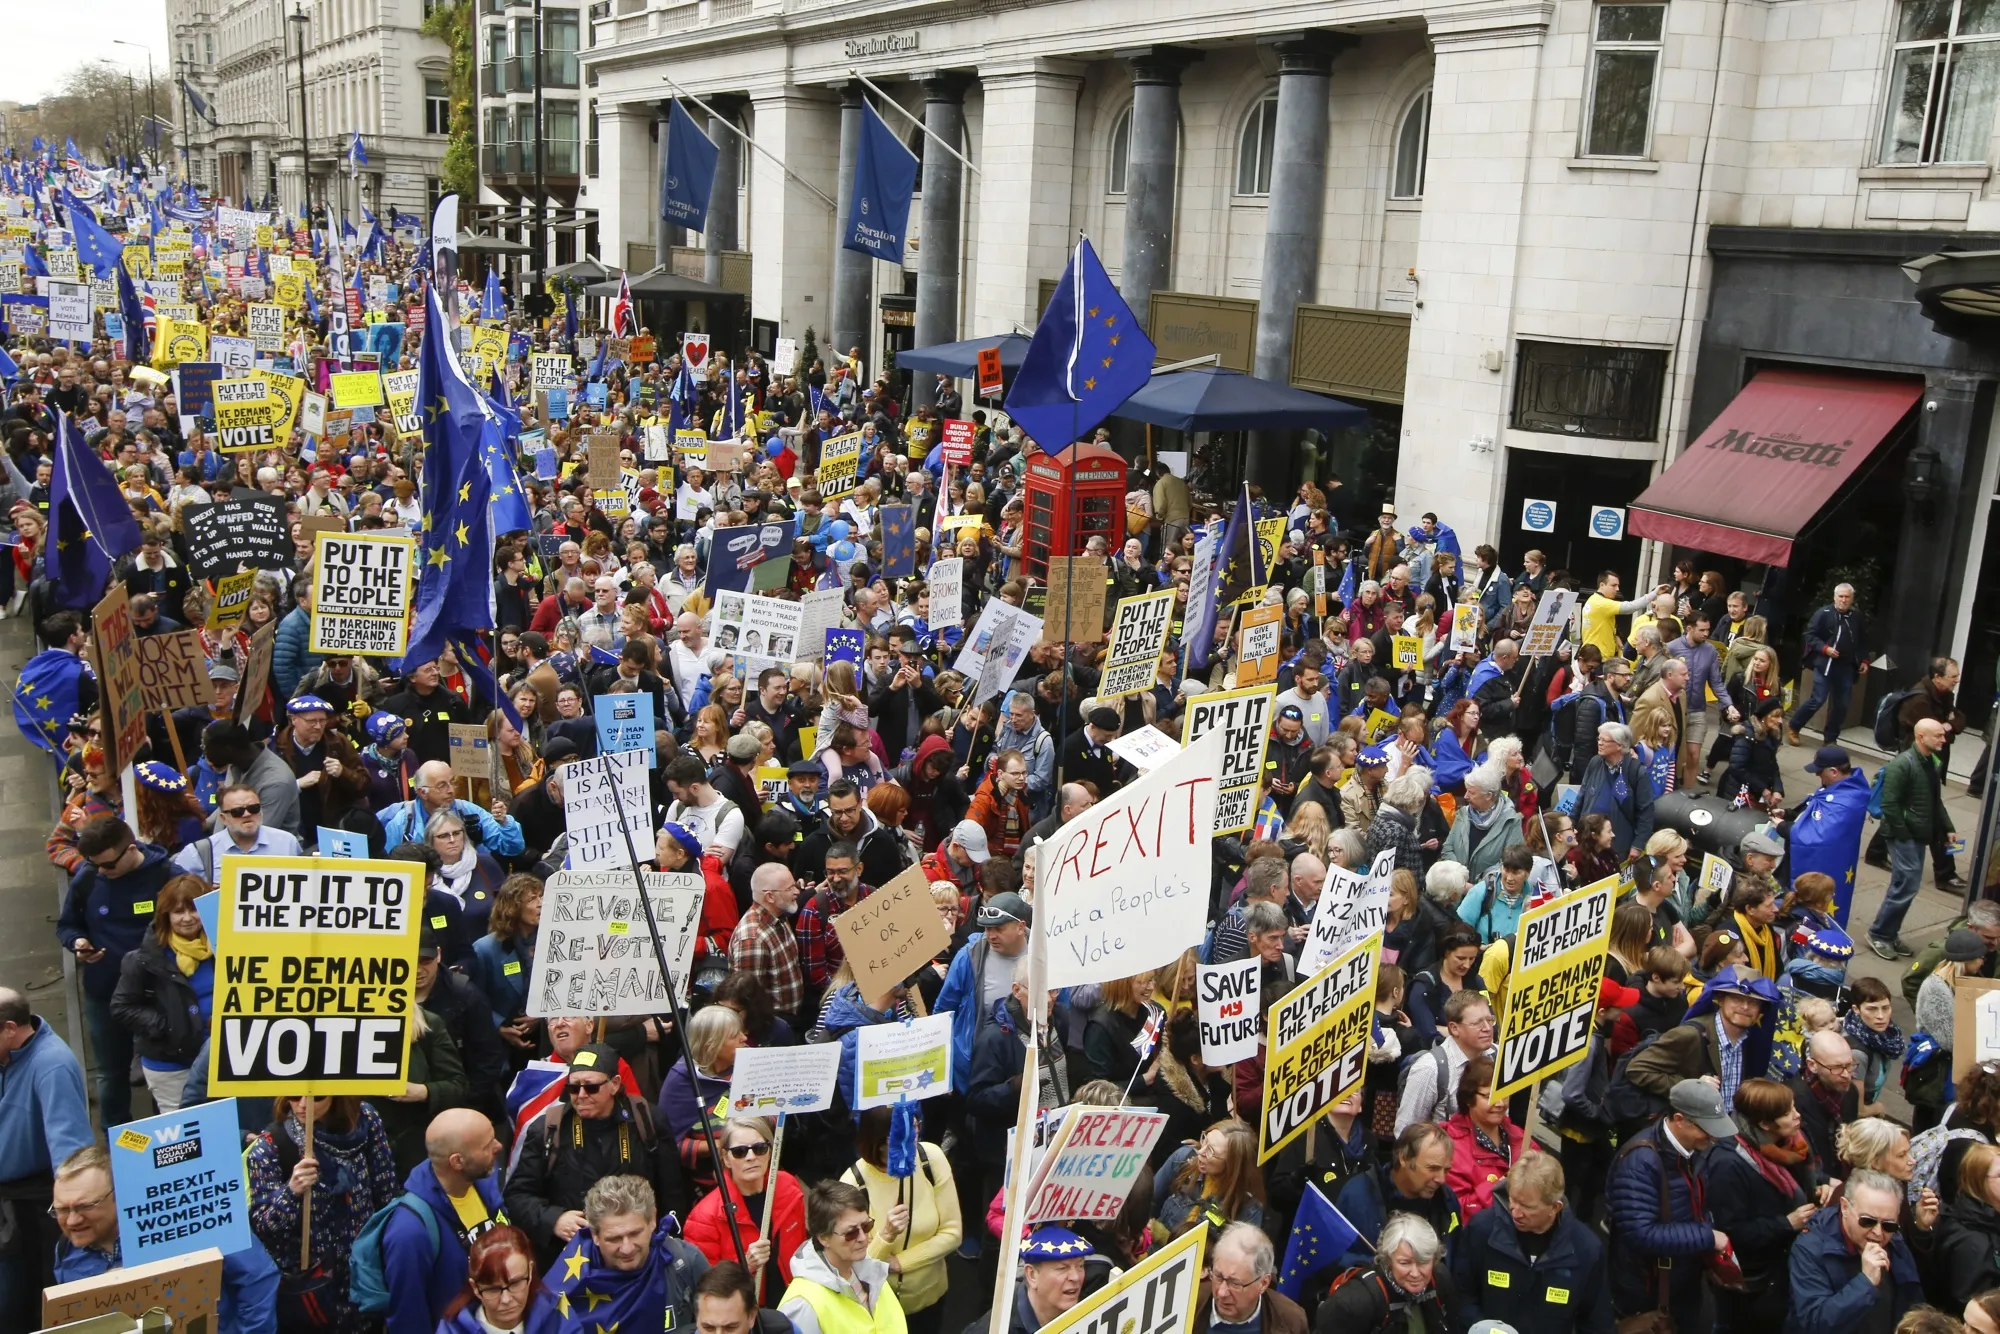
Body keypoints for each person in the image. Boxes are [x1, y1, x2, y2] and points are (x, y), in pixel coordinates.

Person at [49, 1144, 280, 1334]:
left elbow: (258, 1280)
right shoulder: (66, 1252)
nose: (71, 1221)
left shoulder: (191, 1218)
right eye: (61, 1210)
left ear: (120, 1196)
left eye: (85, 1206)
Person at [505, 1043, 687, 1269]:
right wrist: (553, 1219)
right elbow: (517, 1196)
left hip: (638, 1253)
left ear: (615, 1084)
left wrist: (666, 1238)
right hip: (574, 1259)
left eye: (590, 1088)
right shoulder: (548, 1129)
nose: (581, 1096)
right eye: (573, 1088)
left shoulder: (647, 1121)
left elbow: (673, 1192)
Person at [55, 815, 182, 1128]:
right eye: (94, 863)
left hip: (160, 996)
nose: (101, 871)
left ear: (130, 850)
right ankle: (115, 1142)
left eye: (108, 865)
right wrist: (78, 942)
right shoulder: (88, 877)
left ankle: (166, 1138)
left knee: (165, 1071)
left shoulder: (169, 876)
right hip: (106, 993)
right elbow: (68, 924)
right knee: (110, 1074)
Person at [246, 1094, 400, 1334]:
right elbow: (264, 1229)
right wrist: (291, 1192)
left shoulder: (366, 1120)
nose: (303, 1105)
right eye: (294, 1097)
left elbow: (386, 1192)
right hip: (312, 1285)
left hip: (364, 1272)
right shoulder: (270, 1146)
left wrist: (387, 1254)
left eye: (316, 1097)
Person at [1606, 1079, 1736, 1331]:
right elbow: (1640, 1234)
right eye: (1705, 1128)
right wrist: (1708, 1238)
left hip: (1681, 1284)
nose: (1712, 1137)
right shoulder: (1640, 1163)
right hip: (1648, 1296)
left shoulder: (1692, 1150)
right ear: (1679, 1119)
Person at [0, 987, 93, 1330]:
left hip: (34, 1209)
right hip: (11, 1203)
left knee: (20, 1303)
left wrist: (71, 1216)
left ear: (10, 1028)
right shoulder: (6, 1055)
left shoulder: (51, 1065)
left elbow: (70, 1150)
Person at [1700, 1078, 1819, 1334]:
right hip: (1751, 1280)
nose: (1798, 1116)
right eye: (1788, 1112)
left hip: (1781, 1265)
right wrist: (1787, 1223)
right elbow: (1731, 1231)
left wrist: (1821, 1184)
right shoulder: (1729, 1164)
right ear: (1765, 1123)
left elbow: (1803, 1182)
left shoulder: (1790, 1143)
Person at [376, 1109, 508, 1334]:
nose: (499, 1146)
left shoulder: (482, 1183)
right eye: (487, 1146)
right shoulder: (409, 1233)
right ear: (457, 1162)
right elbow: (408, 1319)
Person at [1451, 1154, 1612, 1334]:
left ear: (1555, 1207)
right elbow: (1461, 1294)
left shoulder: (1586, 1250)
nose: (1516, 1212)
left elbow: (1597, 1322)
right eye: (1513, 1200)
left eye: (1527, 1207)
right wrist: (1481, 1327)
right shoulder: (1482, 1230)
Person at [837, 1105, 963, 1334]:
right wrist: (885, 1235)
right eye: (900, 1132)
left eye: (915, 1126)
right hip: (881, 1309)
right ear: (877, 1140)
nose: (912, 1136)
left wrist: (901, 1263)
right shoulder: (852, 1183)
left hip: (931, 1295)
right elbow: (856, 1265)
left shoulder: (930, 1158)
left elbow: (953, 1233)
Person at [546, 1174, 712, 1334]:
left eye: (635, 1234)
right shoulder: (567, 1282)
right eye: (614, 1239)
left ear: (653, 1220)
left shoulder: (685, 1263)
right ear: (594, 1235)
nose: (627, 1248)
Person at [108, 873, 213, 1113]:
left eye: (194, 909)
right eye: (178, 912)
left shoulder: (225, 947)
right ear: (166, 915)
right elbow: (121, 1007)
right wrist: (167, 1026)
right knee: (188, 1136)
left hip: (222, 1061)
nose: (187, 918)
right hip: (171, 1065)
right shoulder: (143, 959)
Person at [683, 1116, 808, 1304]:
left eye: (759, 1148)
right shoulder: (704, 1217)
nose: (751, 1157)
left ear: (770, 1151)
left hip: (794, 1301)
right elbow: (704, 1288)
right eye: (740, 1152)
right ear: (725, 1157)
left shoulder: (788, 1186)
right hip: (747, 1312)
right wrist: (744, 1265)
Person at [1785, 1169, 1923, 1334]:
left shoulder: (1894, 1240)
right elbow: (1815, 1322)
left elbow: (1914, 1300)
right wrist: (1865, 1282)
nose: (1878, 1233)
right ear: (1845, 1207)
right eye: (1867, 1221)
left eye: (1888, 1224)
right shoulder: (1810, 1248)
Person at [1870, 717, 1956, 960]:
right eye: (1938, 735)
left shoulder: (1931, 762)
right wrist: (1905, 834)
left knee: (1906, 885)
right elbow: (1890, 804)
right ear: (1921, 737)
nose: (1943, 739)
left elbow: (1934, 800)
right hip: (1904, 835)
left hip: (1917, 834)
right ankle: (1879, 934)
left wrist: (1947, 827)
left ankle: (1889, 932)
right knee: (1905, 885)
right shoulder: (1902, 765)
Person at [781, 1180, 906, 1334]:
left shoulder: (871, 1271)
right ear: (823, 1238)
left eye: (867, 1226)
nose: (863, 1238)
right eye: (851, 1233)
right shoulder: (803, 1305)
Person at [1333, 1122, 1462, 1269]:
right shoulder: (1357, 1196)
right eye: (1432, 1168)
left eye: (1446, 1170)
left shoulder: (1446, 1199)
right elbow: (1335, 1257)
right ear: (1404, 1158)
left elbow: (1458, 1260)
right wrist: (1380, 1269)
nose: (1441, 1179)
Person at [1315, 1214, 1464, 1334]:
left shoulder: (1440, 1278)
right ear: (1388, 1259)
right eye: (1405, 1263)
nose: (1415, 1273)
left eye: (1423, 1262)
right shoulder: (1355, 1301)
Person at [1398, 989, 1497, 1133]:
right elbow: (1405, 1131)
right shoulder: (1429, 1069)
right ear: (1454, 1028)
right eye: (1477, 1023)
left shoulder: (1498, 1056)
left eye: (1490, 1020)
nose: (1487, 1028)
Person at [963, 1223, 1090, 1334]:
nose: (1075, 1277)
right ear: (1032, 1275)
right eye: (1063, 1268)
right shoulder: (997, 1328)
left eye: (1080, 1266)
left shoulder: (1088, 1313)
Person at [1153, 1117, 1268, 1238]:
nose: (1201, 1152)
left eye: (1211, 1151)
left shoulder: (1248, 1209)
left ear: (1232, 1165)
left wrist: (1164, 1236)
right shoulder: (1183, 1158)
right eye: (1204, 1140)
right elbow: (1149, 1198)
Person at [437, 1224, 563, 1334]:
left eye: (515, 1283)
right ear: (475, 1287)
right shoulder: (452, 1330)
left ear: (530, 1272)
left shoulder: (559, 1318)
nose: (506, 1300)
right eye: (493, 1290)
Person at [1786, 584, 1867, 748]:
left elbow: (1863, 640)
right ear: (1834, 597)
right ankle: (1794, 726)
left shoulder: (1856, 616)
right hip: (1825, 664)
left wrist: (1864, 660)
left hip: (1846, 667)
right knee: (1818, 699)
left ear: (1852, 598)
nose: (1844, 600)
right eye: (1841, 596)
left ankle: (1830, 738)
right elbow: (1809, 635)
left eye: (1847, 597)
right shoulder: (1824, 613)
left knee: (1842, 705)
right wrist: (1824, 649)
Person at [1441, 1055, 1523, 1217]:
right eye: (1488, 1096)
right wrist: (1502, 1187)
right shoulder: (1449, 1147)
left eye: (1504, 1094)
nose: (1500, 1104)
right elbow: (1458, 1208)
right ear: (1469, 1098)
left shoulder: (1519, 1137)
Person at [173, 780, 306, 879]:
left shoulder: (287, 842)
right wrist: (205, 891)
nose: (247, 814)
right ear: (223, 818)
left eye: (253, 808)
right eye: (238, 811)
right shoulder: (199, 852)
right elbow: (177, 894)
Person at [1194, 1222, 1308, 1334]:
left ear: (1263, 1283)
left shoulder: (1292, 1322)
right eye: (1218, 1276)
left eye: (1235, 1283)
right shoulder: (1188, 1303)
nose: (1222, 1293)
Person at [731, 863, 807, 1026]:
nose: (796, 892)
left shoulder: (780, 917)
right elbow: (748, 1000)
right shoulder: (752, 940)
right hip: (772, 1027)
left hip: (792, 1019)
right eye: (789, 888)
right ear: (770, 896)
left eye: (795, 885)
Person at [1791, 1032, 1861, 1179]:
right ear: (1812, 1065)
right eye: (1836, 1068)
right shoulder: (1791, 1100)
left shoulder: (1850, 1093)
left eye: (1849, 1065)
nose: (1846, 1074)